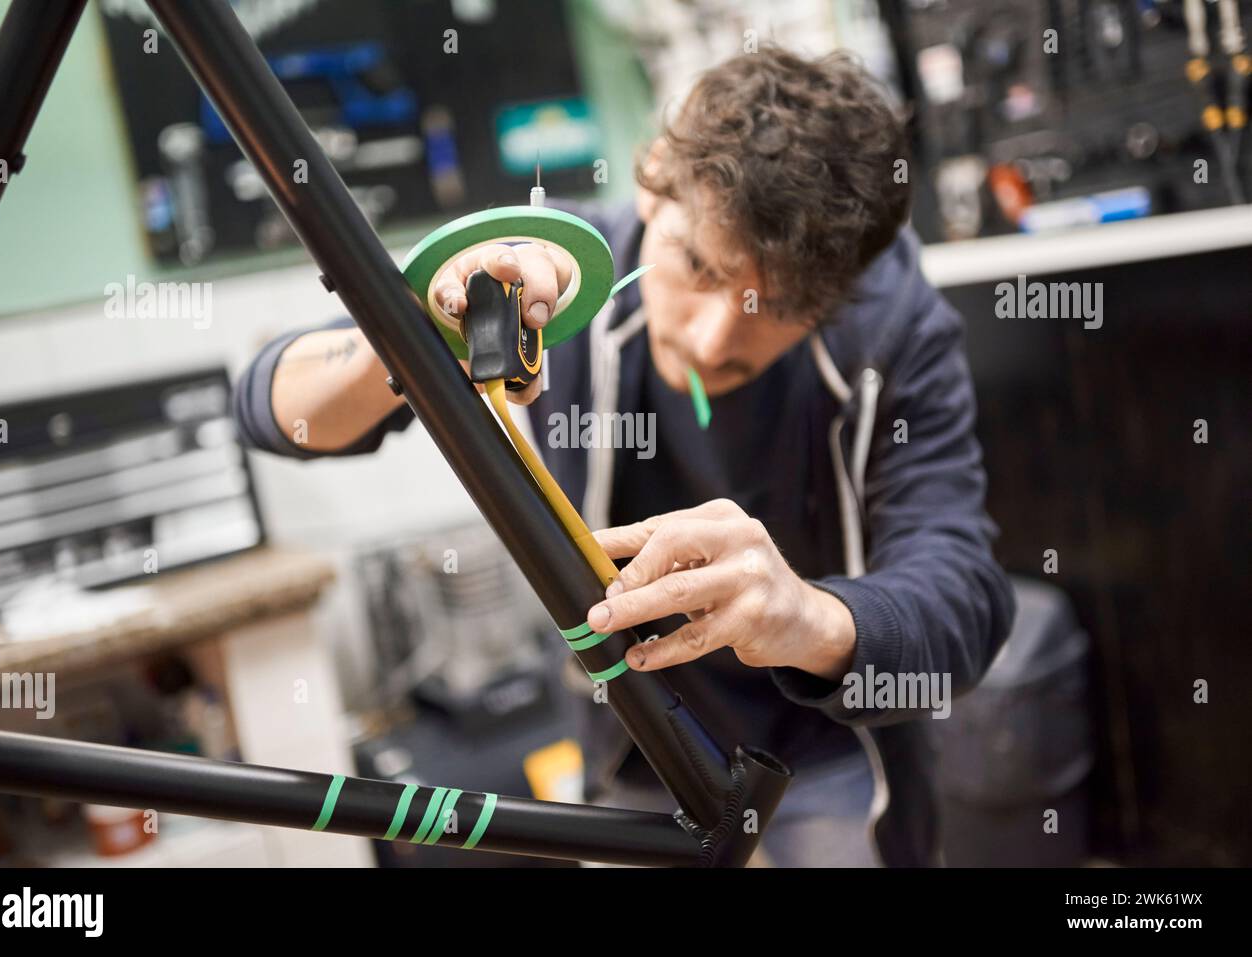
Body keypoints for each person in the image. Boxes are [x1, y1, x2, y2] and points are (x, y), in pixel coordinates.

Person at [233, 45, 1015, 867]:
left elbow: (964, 596)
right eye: (698, 266)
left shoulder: (895, 330)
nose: (715, 337)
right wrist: (410, 345)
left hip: (831, 759)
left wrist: (805, 615)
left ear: (839, 294)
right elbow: (267, 407)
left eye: (774, 305)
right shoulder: (562, 276)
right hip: (643, 751)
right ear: (650, 186)